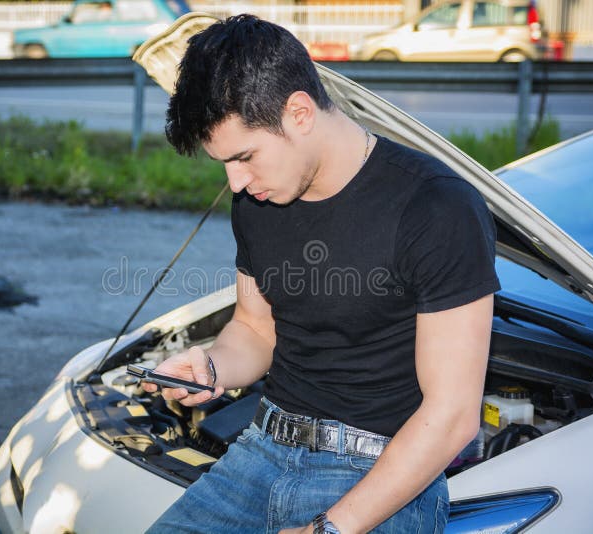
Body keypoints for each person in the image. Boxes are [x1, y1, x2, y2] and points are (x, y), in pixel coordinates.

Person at [144, 14, 499, 534]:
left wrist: (330, 529)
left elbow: (452, 415)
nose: (236, 182)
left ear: (300, 113)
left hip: (384, 476)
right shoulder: (260, 199)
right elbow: (255, 328)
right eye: (223, 163)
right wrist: (212, 367)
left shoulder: (436, 207)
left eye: (244, 157)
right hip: (260, 451)